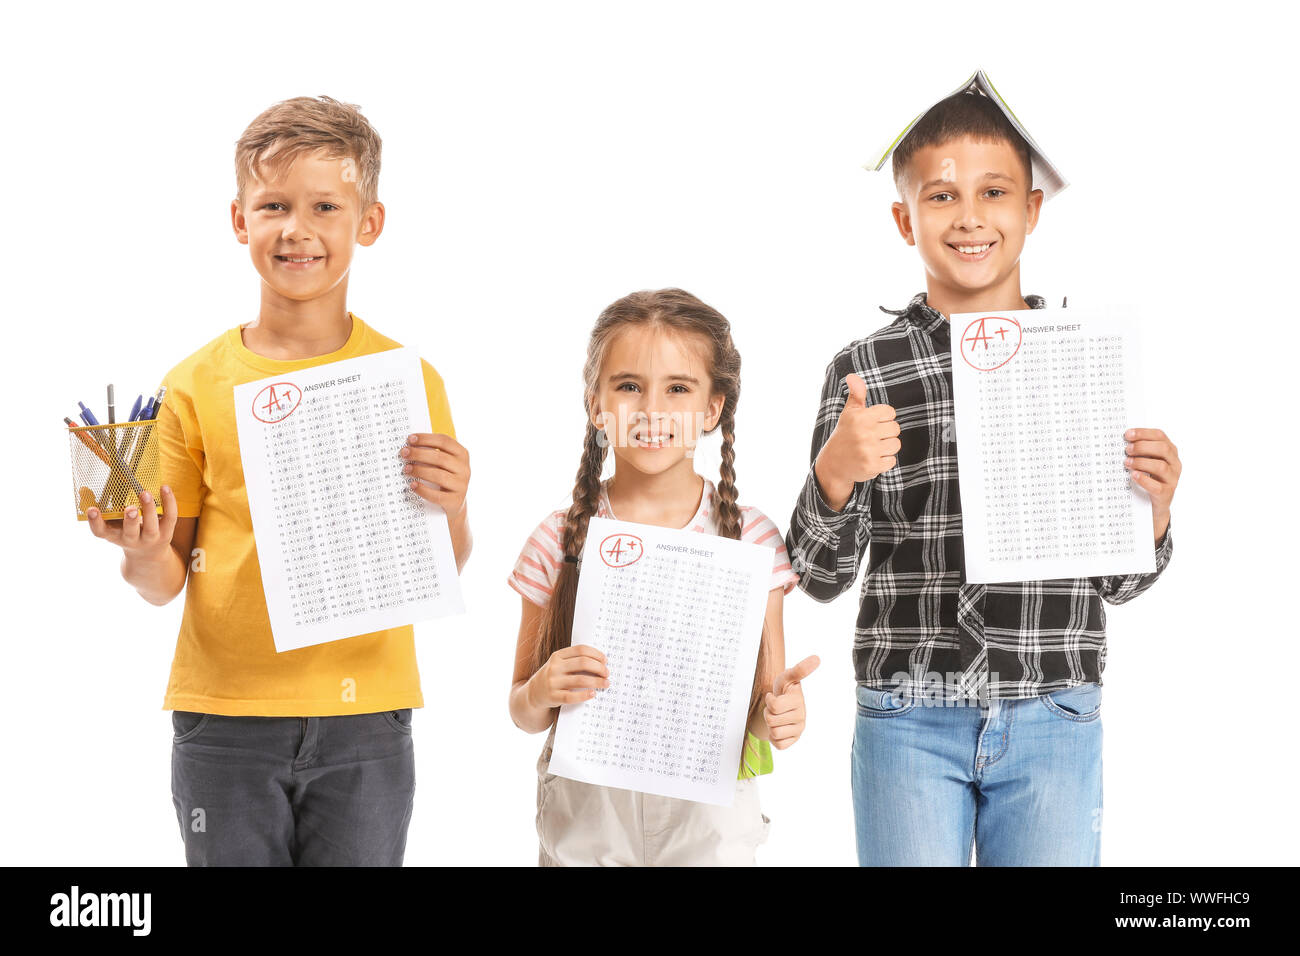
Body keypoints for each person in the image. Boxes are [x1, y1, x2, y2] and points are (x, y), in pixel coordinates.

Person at [785, 81, 1181, 866]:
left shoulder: (1083, 360)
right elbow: (819, 579)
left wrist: (1155, 511)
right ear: (906, 220)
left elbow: (1121, 585)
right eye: (941, 196)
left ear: (1031, 209)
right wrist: (833, 477)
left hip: (1052, 713)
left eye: (993, 192)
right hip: (908, 715)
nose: (970, 217)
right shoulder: (865, 371)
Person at [84, 95, 473, 865]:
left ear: (369, 222)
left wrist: (455, 507)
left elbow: (441, 562)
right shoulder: (193, 383)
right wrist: (138, 552)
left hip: (368, 717)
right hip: (224, 718)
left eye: (325, 206)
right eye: (273, 206)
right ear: (239, 220)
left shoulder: (408, 379)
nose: (297, 230)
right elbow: (165, 582)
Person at [507, 288, 818, 866]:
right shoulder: (558, 538)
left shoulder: (750, 537)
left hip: (708, 817)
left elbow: (761, 706)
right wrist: (544, 687)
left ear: (712, 408)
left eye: (678, 388)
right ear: (596, 405)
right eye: (629, 386)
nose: (652, 409)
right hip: (589, 810)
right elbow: (523, 709)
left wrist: (781, 713)